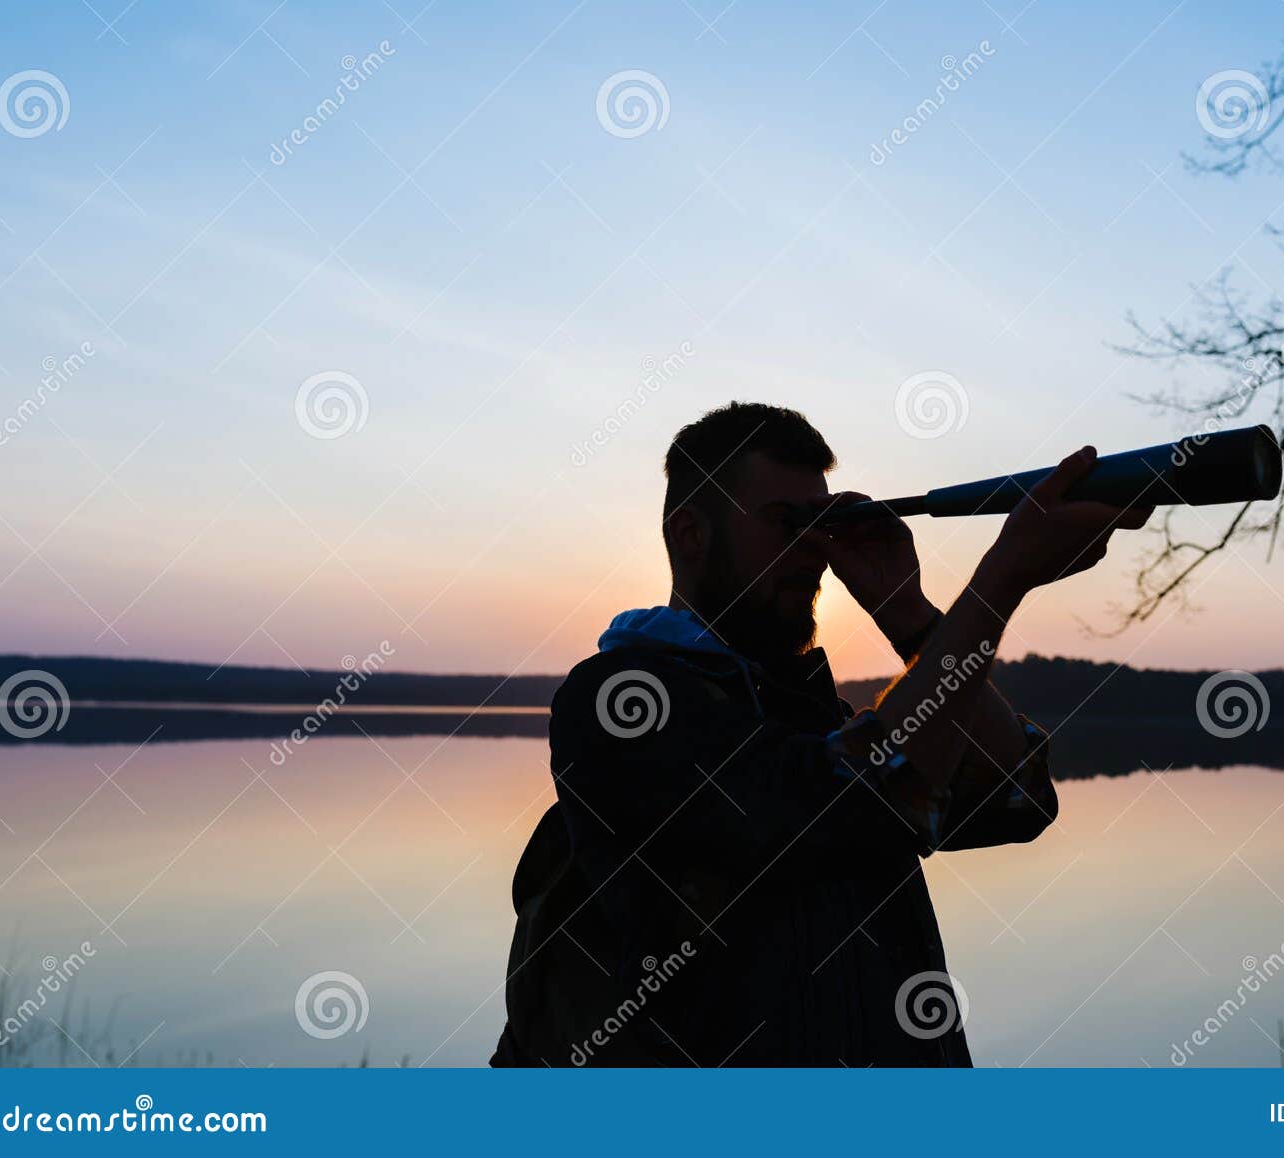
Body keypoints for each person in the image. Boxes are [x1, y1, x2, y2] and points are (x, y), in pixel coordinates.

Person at [491, 401, 1150, 1067]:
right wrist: (999, 583)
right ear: (691, 534)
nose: (812, 548)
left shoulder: (813, 714)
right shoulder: (621, 701)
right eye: (785, 522)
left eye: (820, 522)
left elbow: (1013, 797)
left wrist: (907, 613)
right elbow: (859, 801)